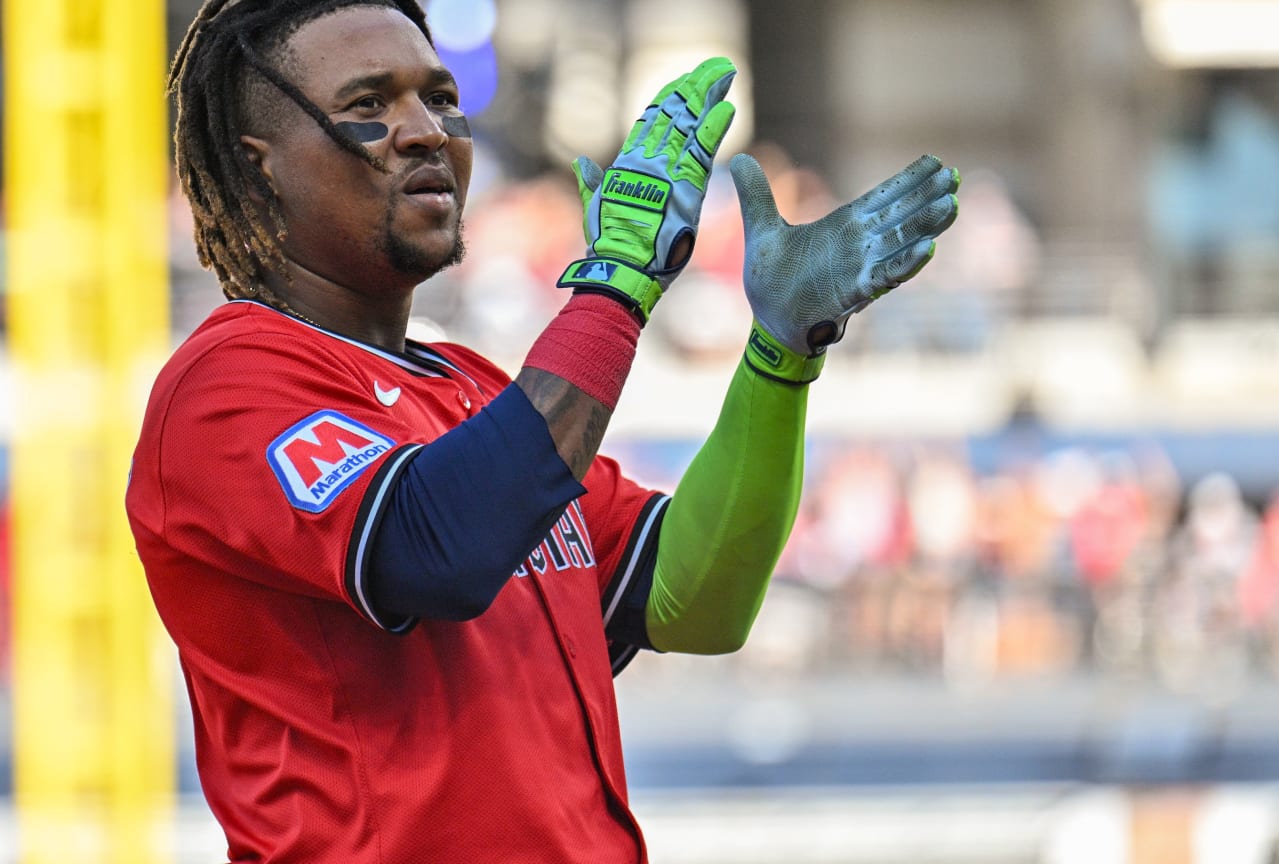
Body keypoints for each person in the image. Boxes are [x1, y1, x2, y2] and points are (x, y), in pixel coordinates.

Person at [126, 0, 960, 860]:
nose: (426, 132)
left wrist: (780, 355)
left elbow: (696, 603)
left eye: (440, 99)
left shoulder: (476, 392)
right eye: (369, 105)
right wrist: (618, 281)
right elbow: (437, 550)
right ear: (256, 167)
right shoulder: (227, 385)